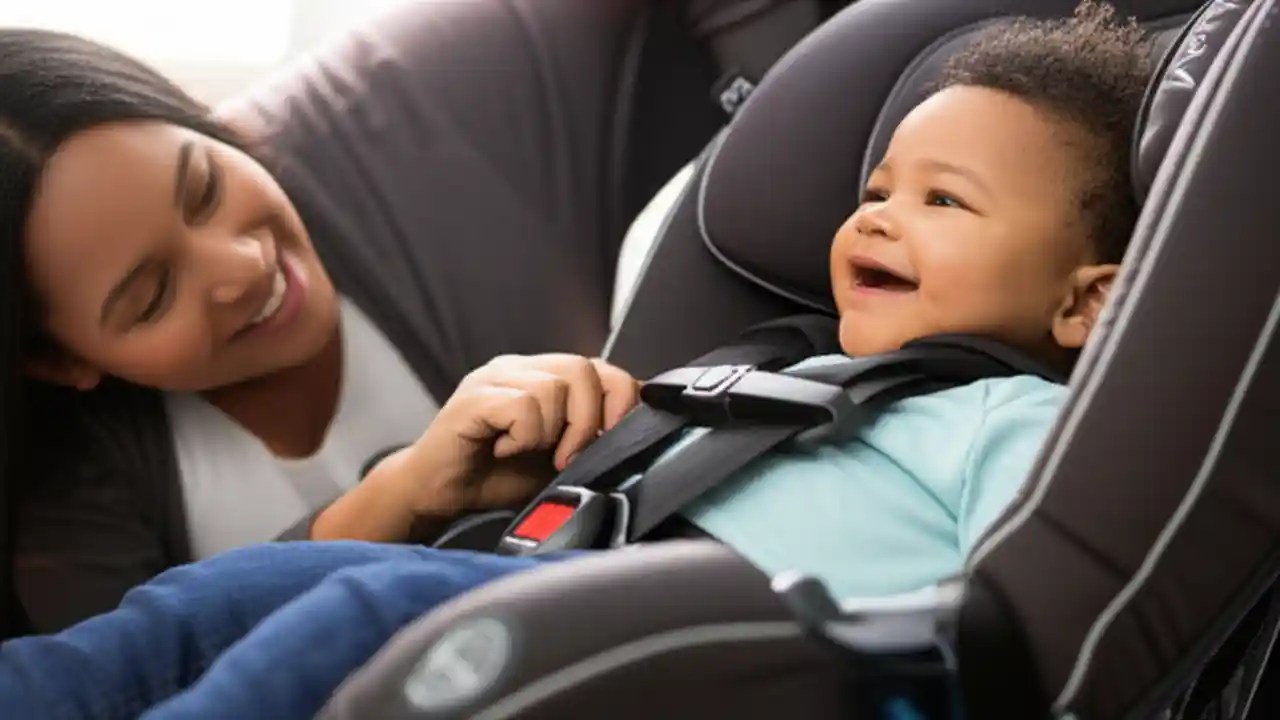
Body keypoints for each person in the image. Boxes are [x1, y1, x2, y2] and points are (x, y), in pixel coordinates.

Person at [0, 3, 1157, 718]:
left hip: (729, 646)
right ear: (63, 362)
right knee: (217, 601)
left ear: (1087, 301)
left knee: (361, 620)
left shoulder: (1013, 423)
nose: (236, 268)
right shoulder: (773, 368)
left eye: (940, 200)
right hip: (550, 583)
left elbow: (1067, 603)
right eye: (871, 192)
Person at [0, 0, 822, 635]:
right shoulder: (62, 508)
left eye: (208, 185)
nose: (242, 267)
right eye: (151, 297)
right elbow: (143, 675)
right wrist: (403, 495)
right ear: (58, 361)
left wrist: (782, 145)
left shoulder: (395, 103)